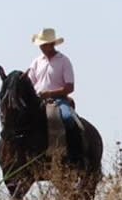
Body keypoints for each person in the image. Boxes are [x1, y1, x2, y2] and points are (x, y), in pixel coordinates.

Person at [27, 27, 81, 161]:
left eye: (44, 45)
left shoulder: (64, 61)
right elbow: (30, 82)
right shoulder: (36, 62)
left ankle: (74, 152)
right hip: (38, 100)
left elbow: (69, 87)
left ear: (52, 44)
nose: (42, 47)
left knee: (68, 118)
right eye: (41, 45)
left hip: (59, 100)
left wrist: (50, 93)